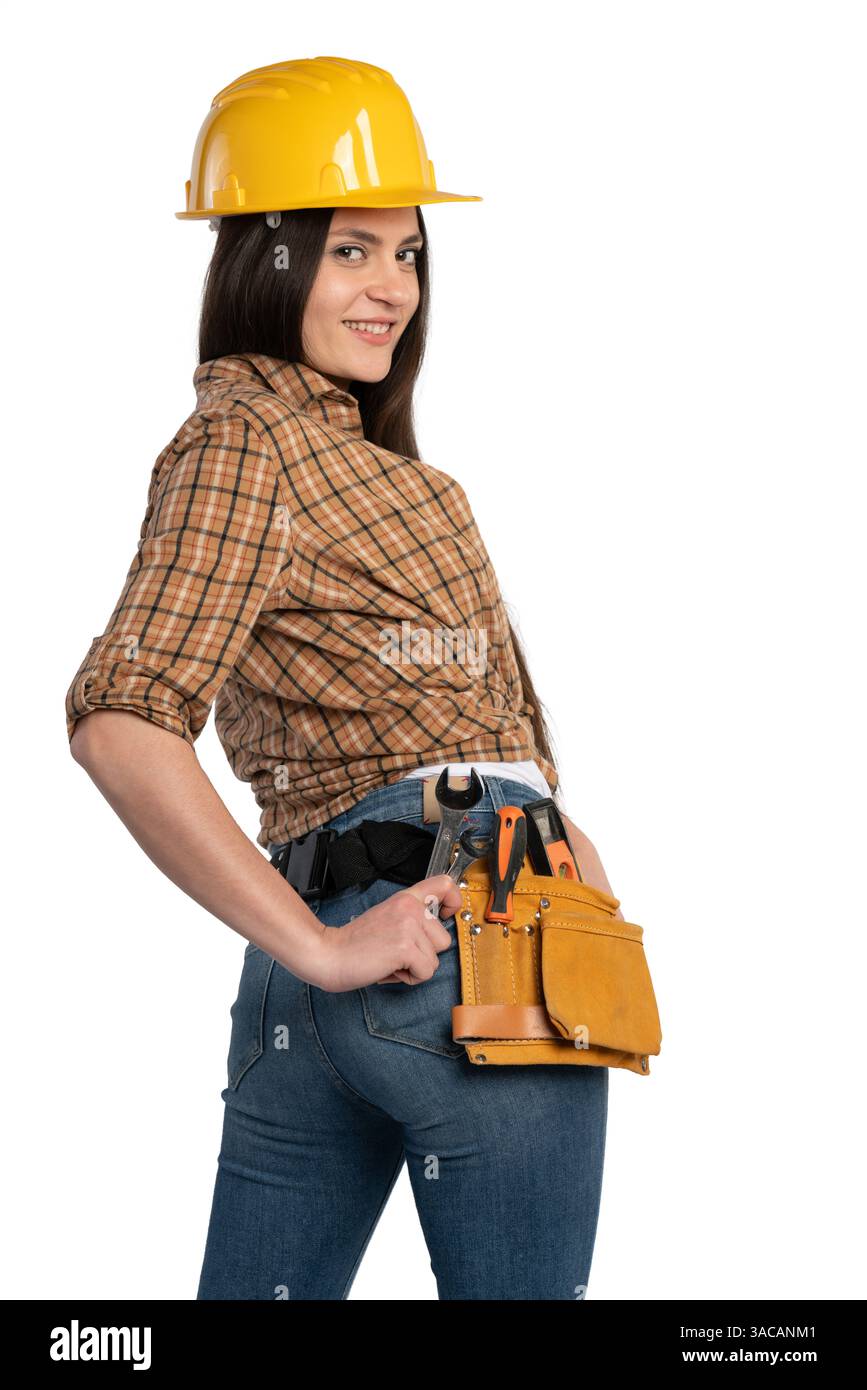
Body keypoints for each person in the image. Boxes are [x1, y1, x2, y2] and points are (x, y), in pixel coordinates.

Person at [65, 57, 619, 1300]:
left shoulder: (372, 468)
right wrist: (322, 950)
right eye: (352, 250)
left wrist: (548, 813)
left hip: (364, 954)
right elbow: (121, 720)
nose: (393, 291)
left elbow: (421, 706)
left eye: (410, 254)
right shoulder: (246, 439)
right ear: (264, 257)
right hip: (437, 956)